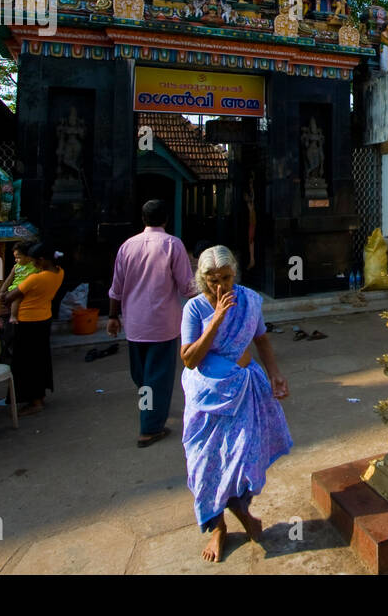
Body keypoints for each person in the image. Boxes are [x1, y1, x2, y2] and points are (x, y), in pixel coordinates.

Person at [181, 246, 291, 562]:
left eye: (226, 278)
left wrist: (275, 373)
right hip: (207, 401)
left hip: (244, 393)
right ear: (202, 279)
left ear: (235, 274)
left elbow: (261, 340)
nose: (221, 287)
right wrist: (215, 320)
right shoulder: (194, 309)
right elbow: (189, 359)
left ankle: (243, 516)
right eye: (213, 280)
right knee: (205, 465)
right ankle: (217, 529)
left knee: (241, 462)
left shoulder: (249, 300)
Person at [107, 200, 195, 448]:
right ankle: (150, 427)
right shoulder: (172, 245)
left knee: (143, 376)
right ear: (166, 219)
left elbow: (116, 287)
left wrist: (113, 317)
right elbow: (187, 286)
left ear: (143, 219)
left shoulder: (127, 246)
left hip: (135, 324)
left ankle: (148, 413)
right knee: (158, 377)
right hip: (162, 324)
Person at [5, 243, 64, 415]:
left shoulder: (35, 279)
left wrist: (8, 286)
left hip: (26, 321)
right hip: (44, 318)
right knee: (39, 360)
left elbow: (9, 297)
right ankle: (38, 397)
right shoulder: (60, 273)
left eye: (34, 261)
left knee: (26, 364)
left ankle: (35, 401)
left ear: (42, 260)